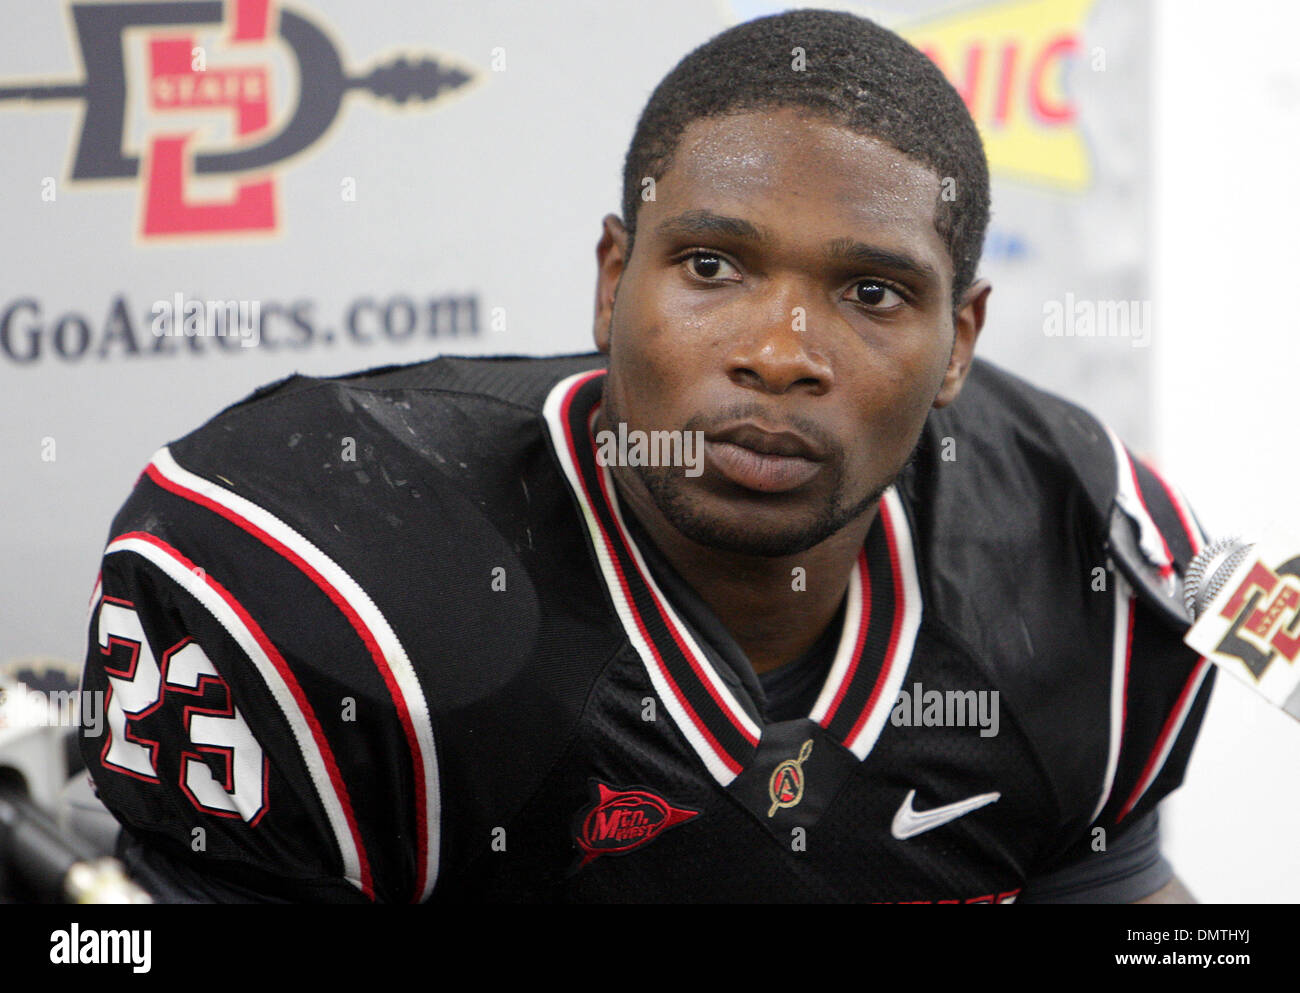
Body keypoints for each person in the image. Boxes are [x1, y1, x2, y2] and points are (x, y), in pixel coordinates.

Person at [80, 9, 1212, 903]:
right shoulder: (322, 549)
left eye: (871, 293)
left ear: (957, 342)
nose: (779, 355)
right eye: (713, 267)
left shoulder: (1080, 548)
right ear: (613, 279)